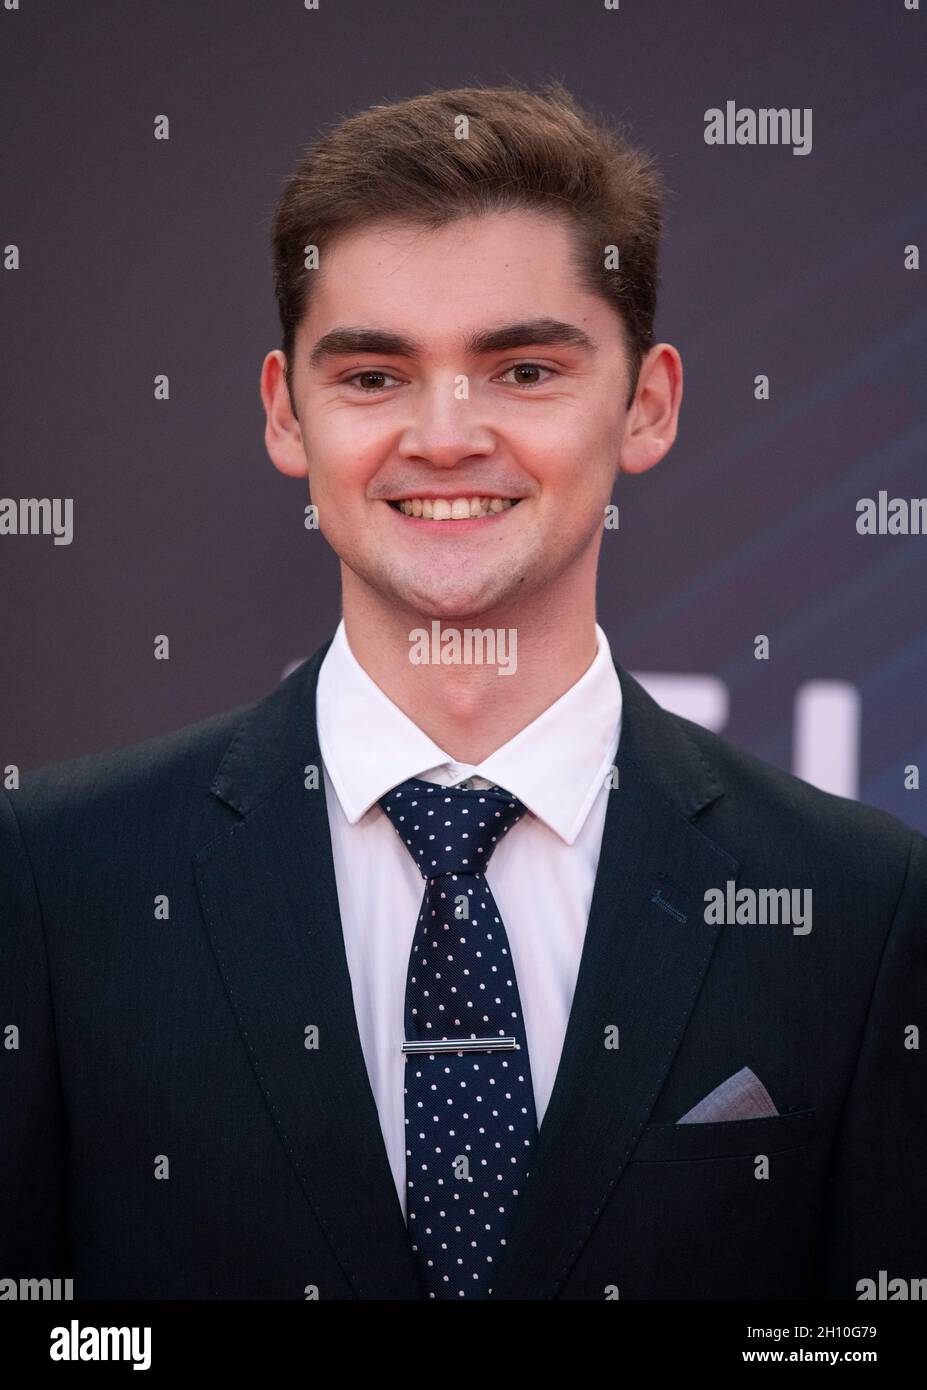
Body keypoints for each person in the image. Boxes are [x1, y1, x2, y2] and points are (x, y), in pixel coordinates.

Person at [2, 82, 924, 1302]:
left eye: (524, 368)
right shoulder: (58, 879)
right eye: (375, 376)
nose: (445, 436)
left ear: (647, 403)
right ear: (288, 414)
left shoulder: (857, 907)